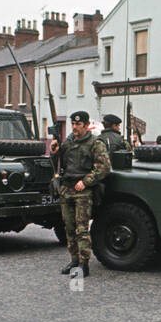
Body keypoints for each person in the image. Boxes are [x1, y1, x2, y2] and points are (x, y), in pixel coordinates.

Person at [51, 110, 111, 276]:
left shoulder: (95, 143)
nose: (75, 127)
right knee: (69, 228)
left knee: (81, 230)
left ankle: (84, 264)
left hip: (82, 192)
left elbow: (104, 167)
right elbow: (58, 163)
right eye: (73, 124)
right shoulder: (69, 141)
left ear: (85, 125)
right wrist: (54, 152)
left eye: (78, 124)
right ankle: (74, 260)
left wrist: (86, 181)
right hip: (67, 189)